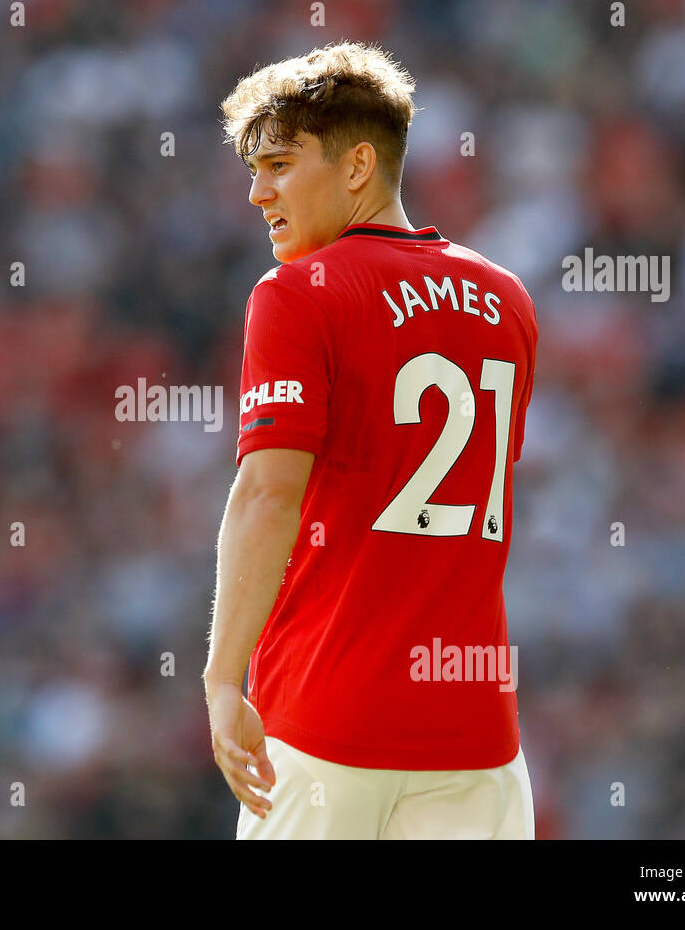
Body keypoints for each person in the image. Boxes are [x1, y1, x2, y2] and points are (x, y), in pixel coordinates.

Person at [203, 41, 539, 839]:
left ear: (357, 166)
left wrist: (222, 679)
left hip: (329, 722)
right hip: (477, 740)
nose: (258, 193)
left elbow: (268, 492)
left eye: (279, 163)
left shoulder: (296, 295)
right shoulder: (508, 300)